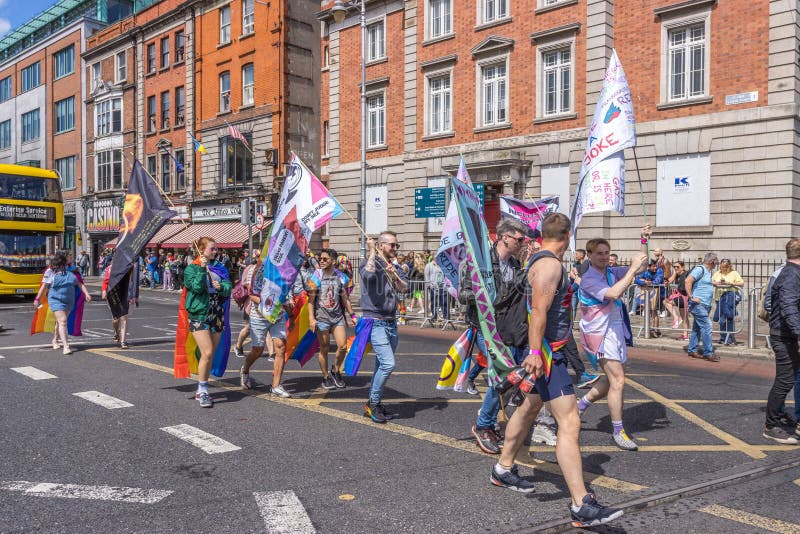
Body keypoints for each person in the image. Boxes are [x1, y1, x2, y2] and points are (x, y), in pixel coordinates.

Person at [492, 213, 624, 528]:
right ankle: (582, 504)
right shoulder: (550, 266)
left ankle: (503, 468)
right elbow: (538, 311)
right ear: (567, 236)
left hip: (546, 350)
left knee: (527, 410)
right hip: (548, 354)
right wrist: (536, 353)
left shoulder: (540, 260)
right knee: (570, 422)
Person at [576, 230, 649, 451]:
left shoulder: (611, 271)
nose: (604, 257)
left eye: (607, 253)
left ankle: (580, 405)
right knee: (618, 381)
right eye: (599, 253)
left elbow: (643, 266)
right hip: (599, 333)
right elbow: (614, 294)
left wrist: (644, 240)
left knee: (611, 380)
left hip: (615, 329)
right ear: (589, 255)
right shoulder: (589, 279)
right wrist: (633, 269)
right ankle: (618, 431)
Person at [361, 231, 408, 423]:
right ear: (381, 245)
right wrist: (371, 251)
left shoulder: (394, 266)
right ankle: (373, 403)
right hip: (375, 321)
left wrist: (395, 274)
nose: (395, 248)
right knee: (388, 364)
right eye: (392, 245)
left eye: (397, 245)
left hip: (391, 322)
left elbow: (404, 287)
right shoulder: (368, 262)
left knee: (381, 365)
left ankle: (375, 402)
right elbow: (367, 276)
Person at [183, 237, 232, 408]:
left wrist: (222, 287)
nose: (215, 251)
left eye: (216, 248)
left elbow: (228, 285)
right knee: (208, 350)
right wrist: (203, 269)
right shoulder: (192, 268)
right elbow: (196, 288)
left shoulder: (220, 267)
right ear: (201, 250)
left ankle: (203, 384)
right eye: (212, 249)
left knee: (210, 353)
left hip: (216, 312)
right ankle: (202, 390)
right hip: (199, 313)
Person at [239, 256, 295, 397]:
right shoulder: (256, 270)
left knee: (281, 347)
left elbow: (286, 295)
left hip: (278, 316)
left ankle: (276, 385)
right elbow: (252, 295)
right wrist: (272, 306)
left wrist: (291, 315)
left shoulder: (284, 271)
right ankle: (245, 370)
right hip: (259, 315)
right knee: (257, 350)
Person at [763, 238, 800, 444]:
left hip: (787, 334)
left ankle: (778, 415)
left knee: (788, 378)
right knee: (784, 381)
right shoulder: (791, 275)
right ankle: (771, 425)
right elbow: (788, 307)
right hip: (784, 336)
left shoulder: (790, 273)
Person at [307, 248, 356, 389]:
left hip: (337, 317)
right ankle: (325, 377)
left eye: (325, 259)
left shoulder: (342, 277)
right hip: (321, 318)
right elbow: (310, 300)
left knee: (342, 346)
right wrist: (312, 319)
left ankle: (335, 371)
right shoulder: (315, 276)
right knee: (324, 348)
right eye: (320, 259)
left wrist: (352, 315)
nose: (321, 261)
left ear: (333, 261)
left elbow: (345, 298)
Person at [33, 251, 92, 355]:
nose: (71, 257)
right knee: (63, 321)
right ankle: (66, 346)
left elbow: (79, 283)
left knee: (60, 322)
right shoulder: (51, 271)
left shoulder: (74, 270)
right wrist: (37, 299)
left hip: (69, 299)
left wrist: (86, 294)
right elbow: (44, 285)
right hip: (56, 299)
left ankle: (55, 339)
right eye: (69, 255)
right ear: (63, 258)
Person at [685, 253, 719, 362]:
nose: (717, 263)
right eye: (716, 261)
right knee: (707, 326)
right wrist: (691, 297)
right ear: (712, 261)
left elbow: (703, 283)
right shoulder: (700, 269)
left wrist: (713, 283)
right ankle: (708, 353)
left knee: (697, 328)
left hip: (705, 304)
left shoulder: (708, 272)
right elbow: (688, 281)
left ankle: (692, 350)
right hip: (698, 304)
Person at [101, 260, 136, 349]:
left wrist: (133, 295)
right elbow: (105, 281)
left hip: (124, 294)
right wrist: (104, 291)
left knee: (123, 317)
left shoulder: (129, 267)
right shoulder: (110, 268)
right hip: (113, 294)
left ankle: (123, 341)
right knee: (115, 319)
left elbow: (133, 282)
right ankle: (116, 333)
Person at [712, 259, 744, 345]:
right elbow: (712, 281)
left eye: (725, 267)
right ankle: (723, 338)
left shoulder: (734, 273)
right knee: (722, 318)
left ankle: (730, 338)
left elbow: (741, 283)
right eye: (722, 267)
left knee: (729, 317)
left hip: (730, 298)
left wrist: (731, 283)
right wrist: (716, 283)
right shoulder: (718, 273)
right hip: (719, 298)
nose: (723, 269)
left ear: (729, 266)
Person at [233, 258, 258, 358]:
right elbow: (244, 283)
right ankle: (238, 346)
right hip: (251, 303)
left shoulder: (266, 268)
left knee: (269, 328)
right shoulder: (250, 268)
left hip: (263, 303)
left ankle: (272, 353)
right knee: (248, 328)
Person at [635, 260, 664, 337]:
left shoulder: (659, 271)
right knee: (647, 310)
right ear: (649, 266)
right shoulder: (645, 271)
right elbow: (637, 279)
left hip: (658, 293)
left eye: (656, 266)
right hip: (648, 292)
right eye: (653, 266)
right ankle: (647, 328)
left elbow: (658, 281)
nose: (655, 268)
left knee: (654, 311)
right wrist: (644, 282)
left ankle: (656, 329)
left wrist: (648, 282)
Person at [664, 261, 690, 340]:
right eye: (674, 267)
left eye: (677, 267)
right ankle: (685, 335)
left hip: (684, 297)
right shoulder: (677, 274)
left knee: (665, 302)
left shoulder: (686, 274)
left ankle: (676, 318)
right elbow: (669, 281)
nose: (675, 268)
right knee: (684, 318)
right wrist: (675, 273)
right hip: (682, 297)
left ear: (683, 267)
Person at [424, 257, 447, 323]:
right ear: (434, 258)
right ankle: (434, 317)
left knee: (444, 303)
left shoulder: (442, 265)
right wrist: (428, 285)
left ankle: (445, 317)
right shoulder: (429, 265)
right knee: (434, 303)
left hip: (443, 287)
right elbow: (426, 276)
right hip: (433, 287)